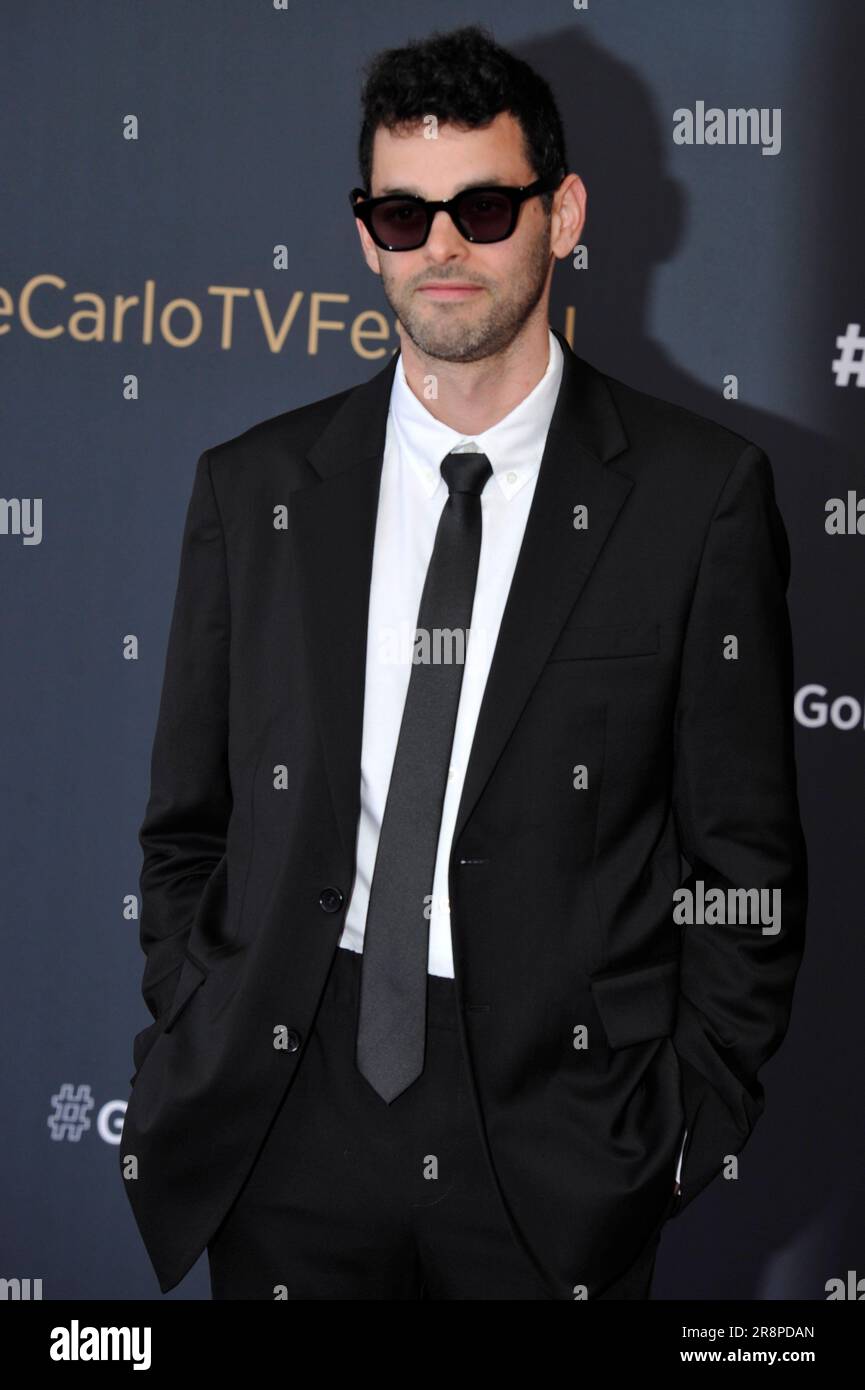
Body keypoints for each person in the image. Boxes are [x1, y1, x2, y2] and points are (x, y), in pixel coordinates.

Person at [119, 24, 807, 1300]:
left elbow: (744, 870)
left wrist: (669, 1130)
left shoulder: (695, 496)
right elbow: (185, 826)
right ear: (364, 228)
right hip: (284, 1107)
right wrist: (193, 1019)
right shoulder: (256, 488)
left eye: (484, 208)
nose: (441, 248)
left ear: (565, 213)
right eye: (402, 213)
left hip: (556, 1133)